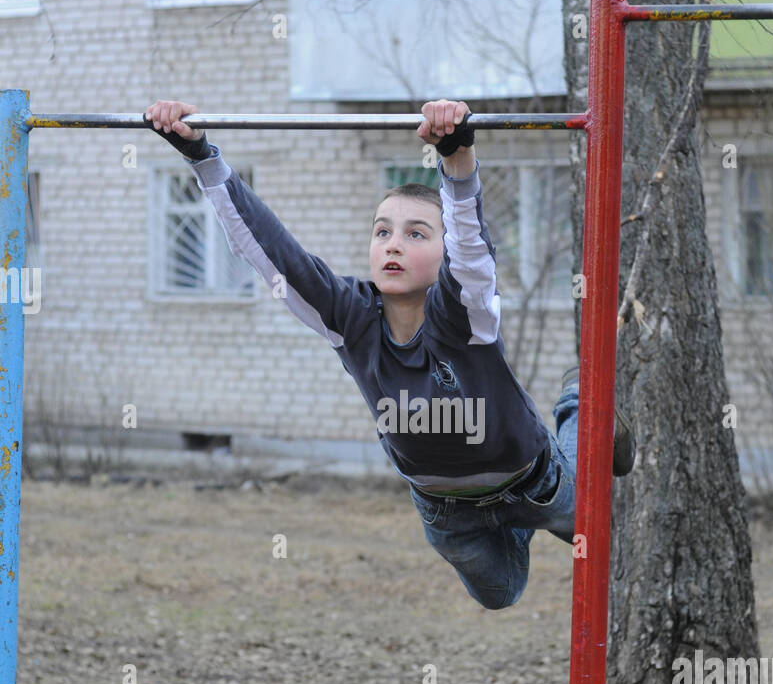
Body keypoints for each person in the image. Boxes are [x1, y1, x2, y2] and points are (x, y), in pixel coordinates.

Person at [144, 98, 635, 610]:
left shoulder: (465, 312)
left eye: (416, 234)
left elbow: (471, 249)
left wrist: (456, 157)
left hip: (535, 483)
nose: (393, 245)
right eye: (383, 232)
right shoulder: (347, 318)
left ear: (443, 254)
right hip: (449, 516)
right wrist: (201, 156)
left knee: (595, 518)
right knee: (501, 594)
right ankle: (516, 525)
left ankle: (577, 405)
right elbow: (269, 251)